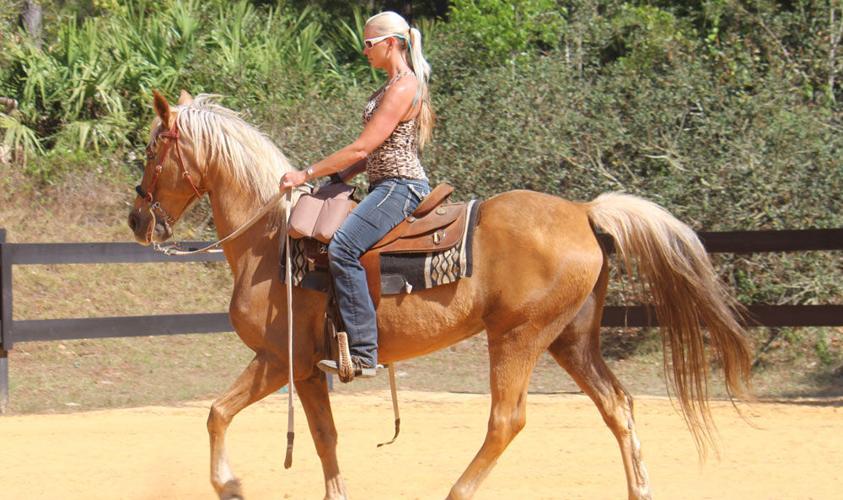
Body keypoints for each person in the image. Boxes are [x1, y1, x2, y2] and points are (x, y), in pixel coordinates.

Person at [279, 11, 434, 379]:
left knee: (343, 247)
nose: (364, 50)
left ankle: (364, 353)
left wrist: (307, 172)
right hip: (383, 183)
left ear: (391, 43)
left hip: (401, 186)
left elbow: (363, 148)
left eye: (368, 43)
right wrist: (337, 177)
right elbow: (374, 154)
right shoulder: (390, 85)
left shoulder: (403, 87)